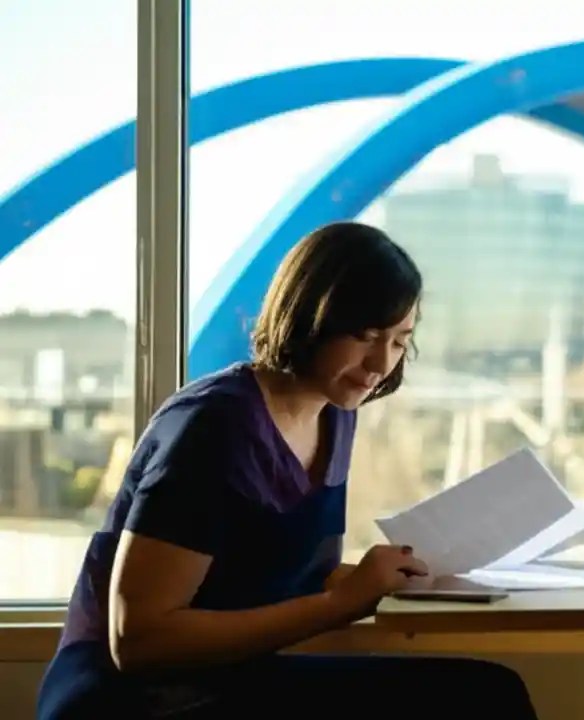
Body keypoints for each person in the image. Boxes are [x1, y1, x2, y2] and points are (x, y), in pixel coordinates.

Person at [36, 222, 539, 719]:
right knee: (484, 700)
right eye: (365, 336)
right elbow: (141, 641)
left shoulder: (335, 413)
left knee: (486, 694)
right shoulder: (213, 428)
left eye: (399, 340)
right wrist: (345, 601)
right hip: (133, 697)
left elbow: (287, 576)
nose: (380, 363)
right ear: (308, 318)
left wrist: (392, 579)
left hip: (230, 676)